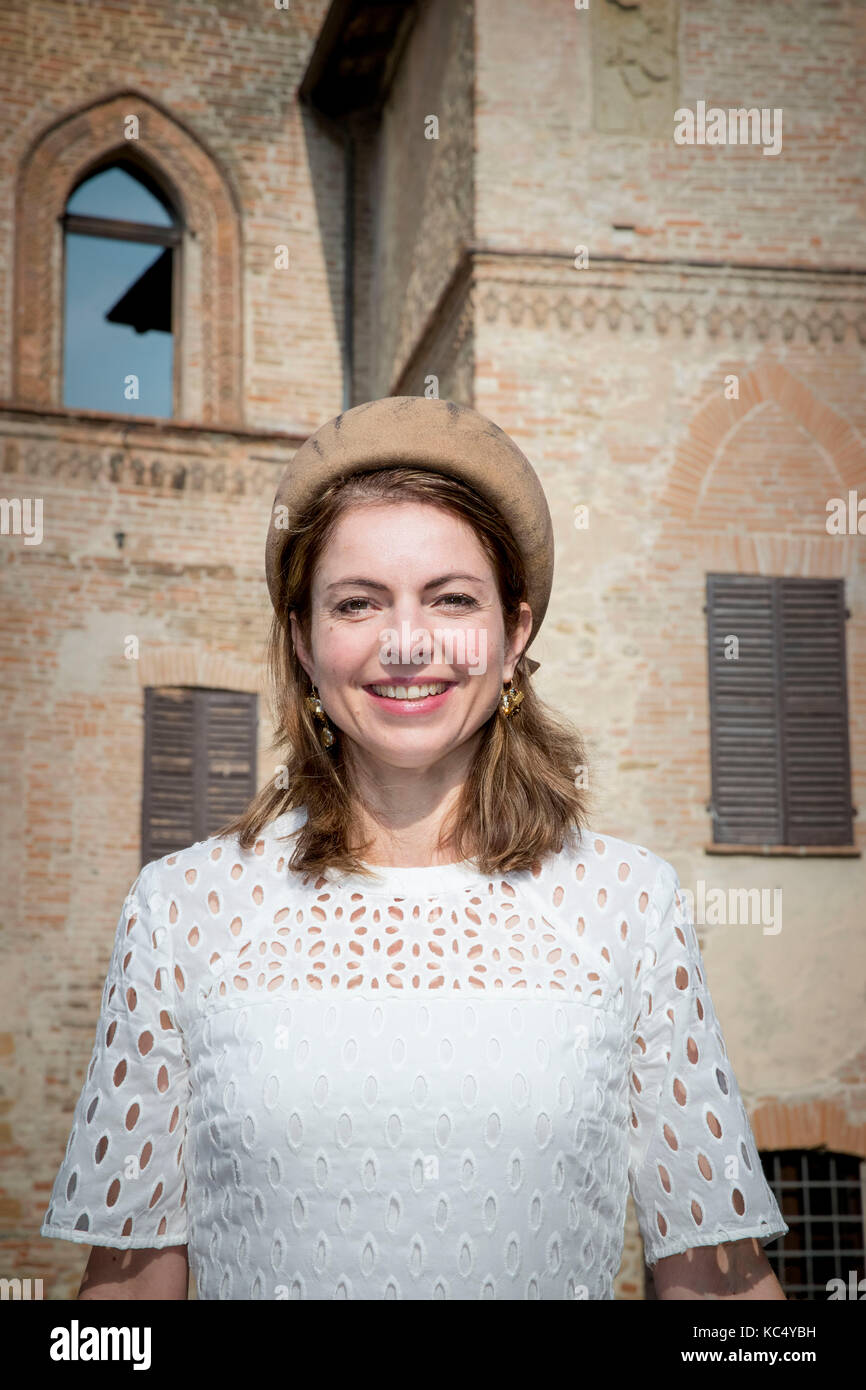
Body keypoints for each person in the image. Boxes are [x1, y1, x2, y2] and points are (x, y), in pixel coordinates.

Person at [41, 396, 788, 1300]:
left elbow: (719, 1292)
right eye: (357, 603)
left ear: (512, 637)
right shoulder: (180, 911)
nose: (406, 644)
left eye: (452, 599)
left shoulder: (631, 904)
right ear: (304, 644)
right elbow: (127, 1299)